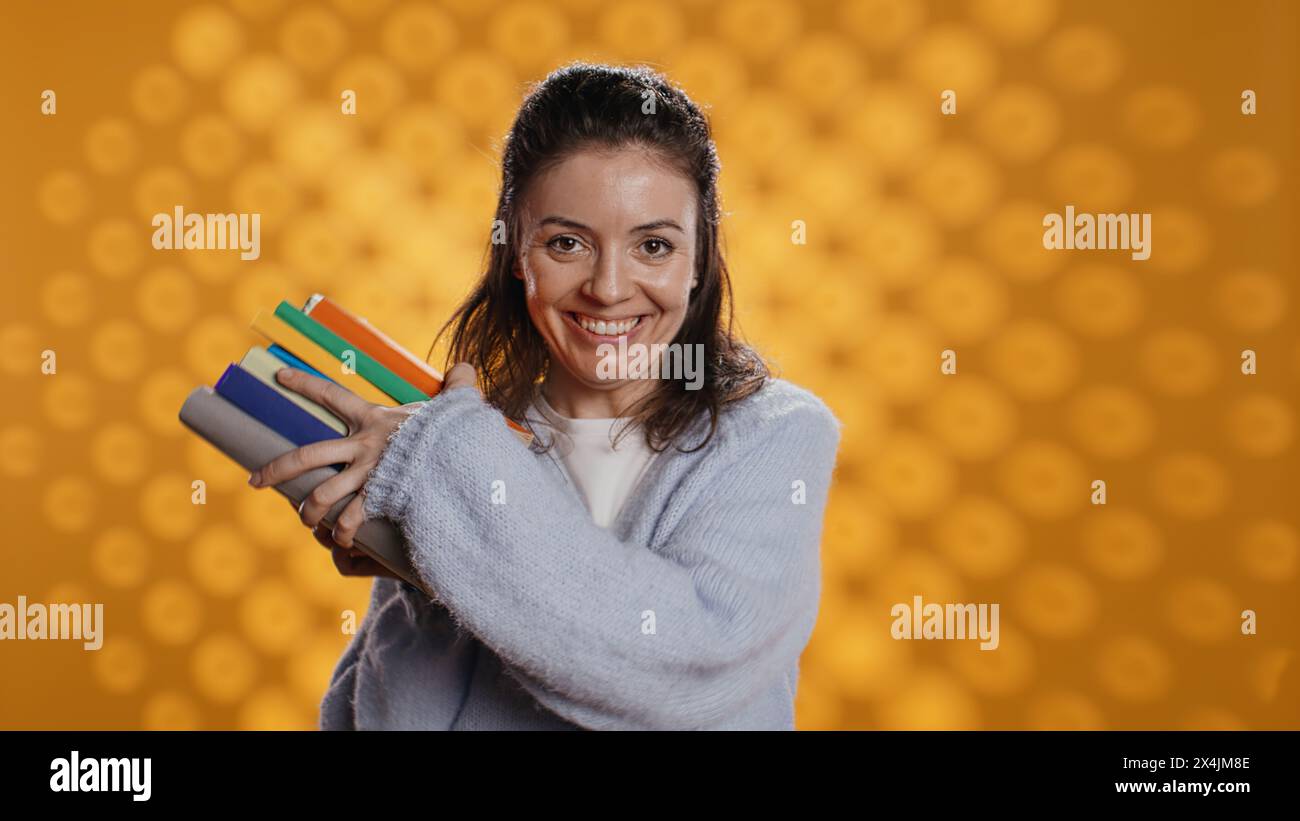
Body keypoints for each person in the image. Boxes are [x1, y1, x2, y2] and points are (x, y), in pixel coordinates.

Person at [248, 63, 841, 730]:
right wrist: (420, 568)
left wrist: (444, 475)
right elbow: (370, 708)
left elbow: (683, 666)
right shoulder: (457, 439)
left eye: (653, 245)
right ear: (515, 254)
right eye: (566, 243)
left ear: (700, 259)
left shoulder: (777, 435)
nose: (608, 288)